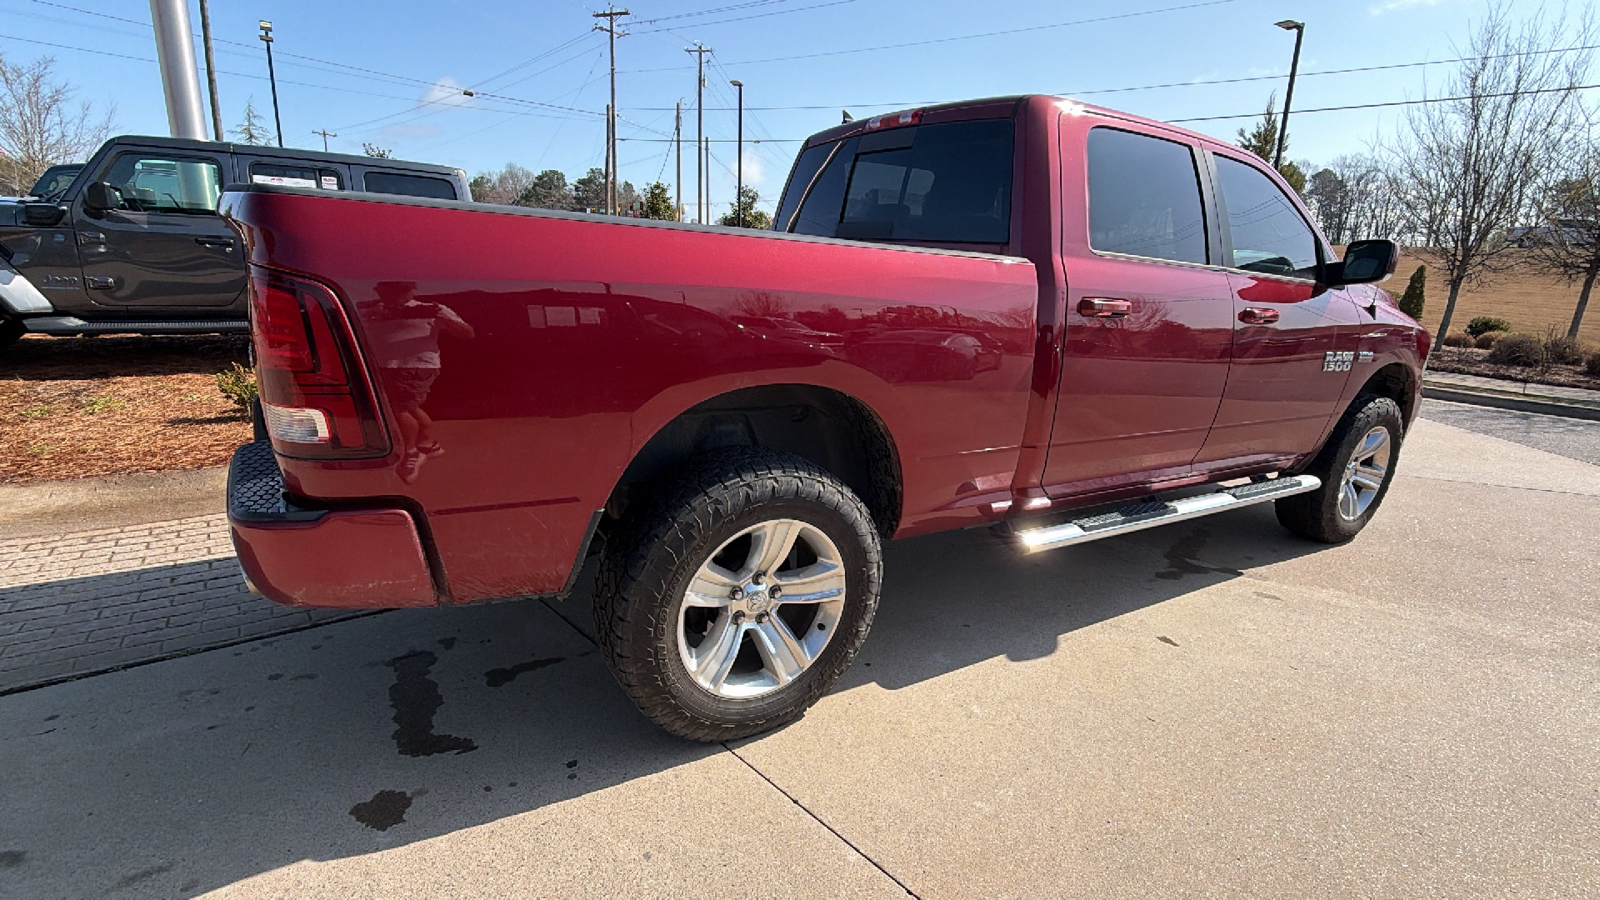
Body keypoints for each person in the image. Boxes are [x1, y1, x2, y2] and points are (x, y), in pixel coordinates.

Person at [367, 281, 474, 483]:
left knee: (398, 409)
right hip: (383, 367)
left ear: (412, 291)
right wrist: (372, 315)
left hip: (416, 366)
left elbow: (467, 333)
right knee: (409, 407)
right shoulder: (375, 311)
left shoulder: (431, 310)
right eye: (385, 290)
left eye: (401, 290)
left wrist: (440, 316)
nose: (393, 294)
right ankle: (427, 444)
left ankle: (411, 453)